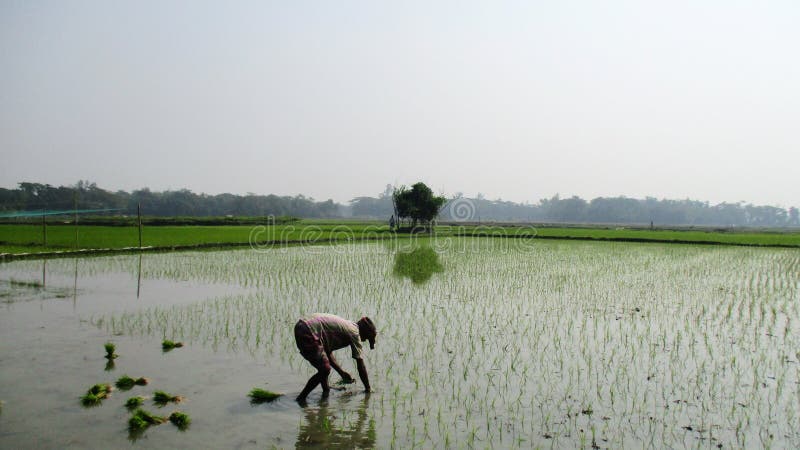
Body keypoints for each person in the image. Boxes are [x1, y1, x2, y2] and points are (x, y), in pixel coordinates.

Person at [294, 313, 376, 402]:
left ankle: (326, 391)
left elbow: (327, 353)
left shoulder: (348, 326)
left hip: (302, 325)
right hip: (308, 330)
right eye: (367, 338)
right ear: (364, 332)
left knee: (323, 366)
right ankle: (301, 398)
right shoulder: (355, 333)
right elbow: (360, 364)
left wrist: (341, 373)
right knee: (325, 369)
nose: (365, 340)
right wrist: (368, 388)